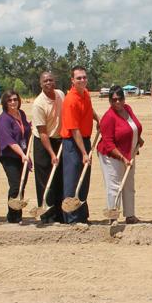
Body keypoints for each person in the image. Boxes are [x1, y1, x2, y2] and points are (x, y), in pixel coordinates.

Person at [97, 86, 143, 224]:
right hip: (111, 156)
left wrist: (138, 139)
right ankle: (113, 216)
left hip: (129, 152)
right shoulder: (108, 118)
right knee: (114, 186)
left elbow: (134, 127)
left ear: (124, 99)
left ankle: (130, 215)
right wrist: (122, 158)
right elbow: (109, 143)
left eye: (120, 99)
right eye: (114, 100)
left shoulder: (128, 109)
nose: (117, 102)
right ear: (110, 101)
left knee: (129, 184)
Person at [59, 66, 100, 224]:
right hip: (72, 144)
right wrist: (83, 152)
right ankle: (72, 218)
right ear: (72, 80)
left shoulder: (86, 93)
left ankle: (82, 215)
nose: (82, 80)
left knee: (84, 179)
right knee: (72, 180)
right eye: (78, 78)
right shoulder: (70, 100)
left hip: (85, 140)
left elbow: (90, 109)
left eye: (84, 77)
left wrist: (98, 119)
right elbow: (74, 129)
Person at [31, 72, 65, 225]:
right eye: (45, 81)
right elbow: (42, 132)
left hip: (59, 139)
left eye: (51, 79)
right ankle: (47, 216)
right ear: (41, 84)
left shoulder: (60, 94)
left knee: (58, 178)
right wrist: (52, 154)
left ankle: (59, 215)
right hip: (43, 142)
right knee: (45, 180)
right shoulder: (38, 104)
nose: (49, 83)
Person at [0, 89, 32, 224]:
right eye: (9, 100)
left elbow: (24, 130)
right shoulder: (4, 119)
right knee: (15, 184)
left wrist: (29, 127)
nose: (13, 102)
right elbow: (8, 140)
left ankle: (18, 215)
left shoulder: (21, 113)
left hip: (22, 154)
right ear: (5, 102)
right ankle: (12, 216)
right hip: (9, 155)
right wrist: (22, 154)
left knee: (22, 184)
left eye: (15, 99)